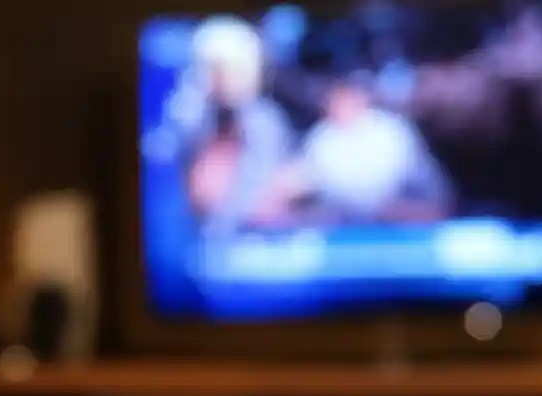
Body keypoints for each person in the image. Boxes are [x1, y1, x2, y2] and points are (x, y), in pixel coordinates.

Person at [162, 16, 294, 237]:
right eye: (215, 69)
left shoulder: (266, 121)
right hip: (190, 233)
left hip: (247, 235)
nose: (224, 77)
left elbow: (258, 186)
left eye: (234, 68)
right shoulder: (187, 115)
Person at [292, 71, 454, 222]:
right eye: (334, 99)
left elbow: (415, 186)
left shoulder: (391, 129)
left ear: (360, 98)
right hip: (341, 220)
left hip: (402, 213)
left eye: (345, 98)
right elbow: (310, 181)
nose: (339, 105)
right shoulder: (321, 136)